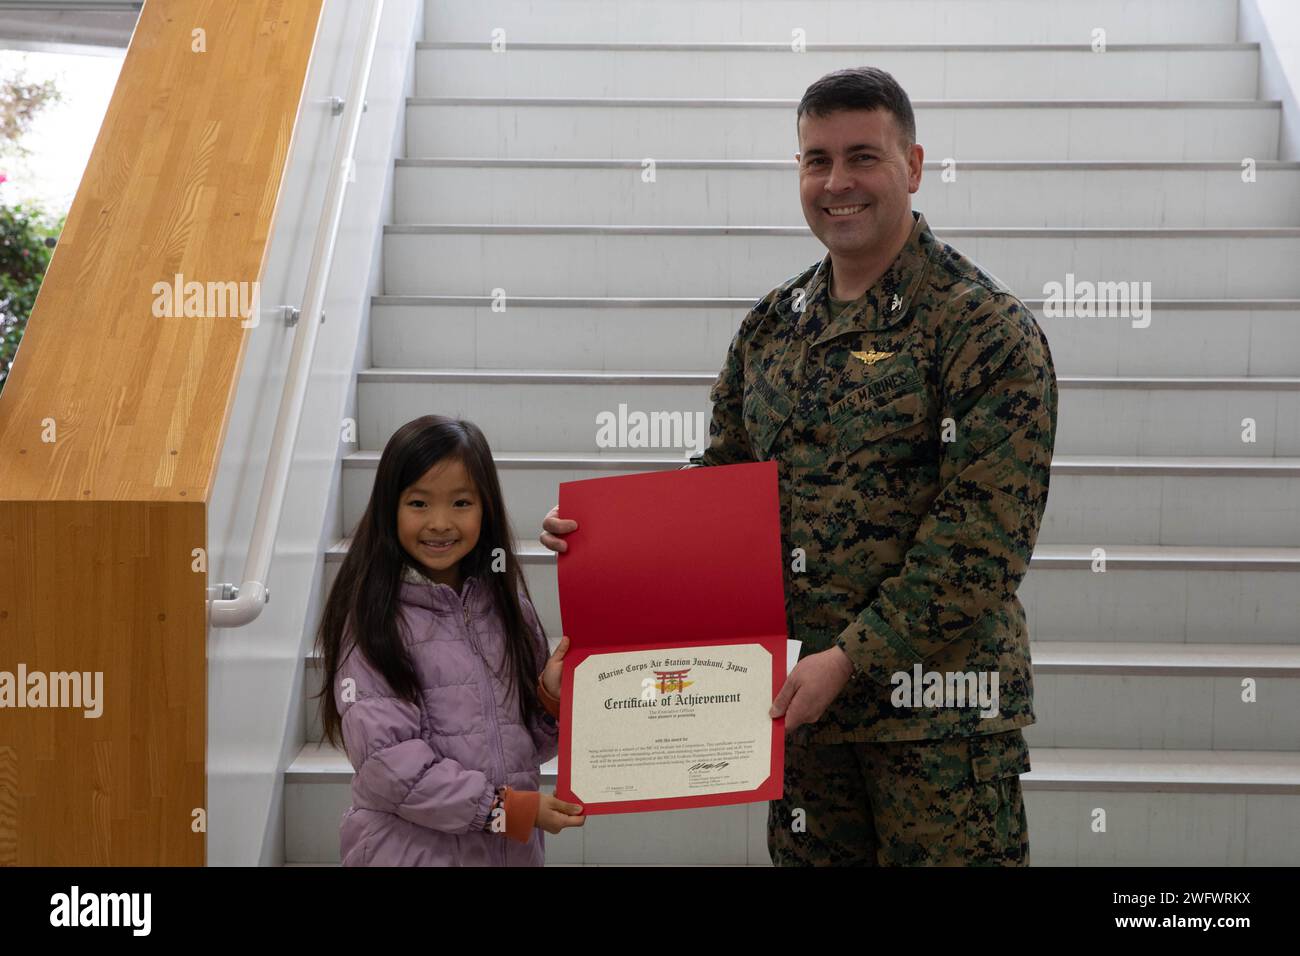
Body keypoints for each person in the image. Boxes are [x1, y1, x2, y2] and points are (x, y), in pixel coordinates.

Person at [542, 67, 1057, 866]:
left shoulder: (982, 328)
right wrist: (607, 563)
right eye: (816, 160)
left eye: (863, 157)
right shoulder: (771, 329)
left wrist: (850, 658)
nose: (837, 181)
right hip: (796, 722)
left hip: (935, 727)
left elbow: (982, 540)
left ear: (913, 167)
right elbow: (717, 495)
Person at [317, 415, 585, 865]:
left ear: (486, 509)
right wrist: (506, 811)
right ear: (389, 509)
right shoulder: (374, 619)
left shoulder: (506, 605)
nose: (440, 523)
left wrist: (551, 697)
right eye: (418, 503)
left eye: (461, 503)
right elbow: (390, 768)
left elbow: (527, 746)